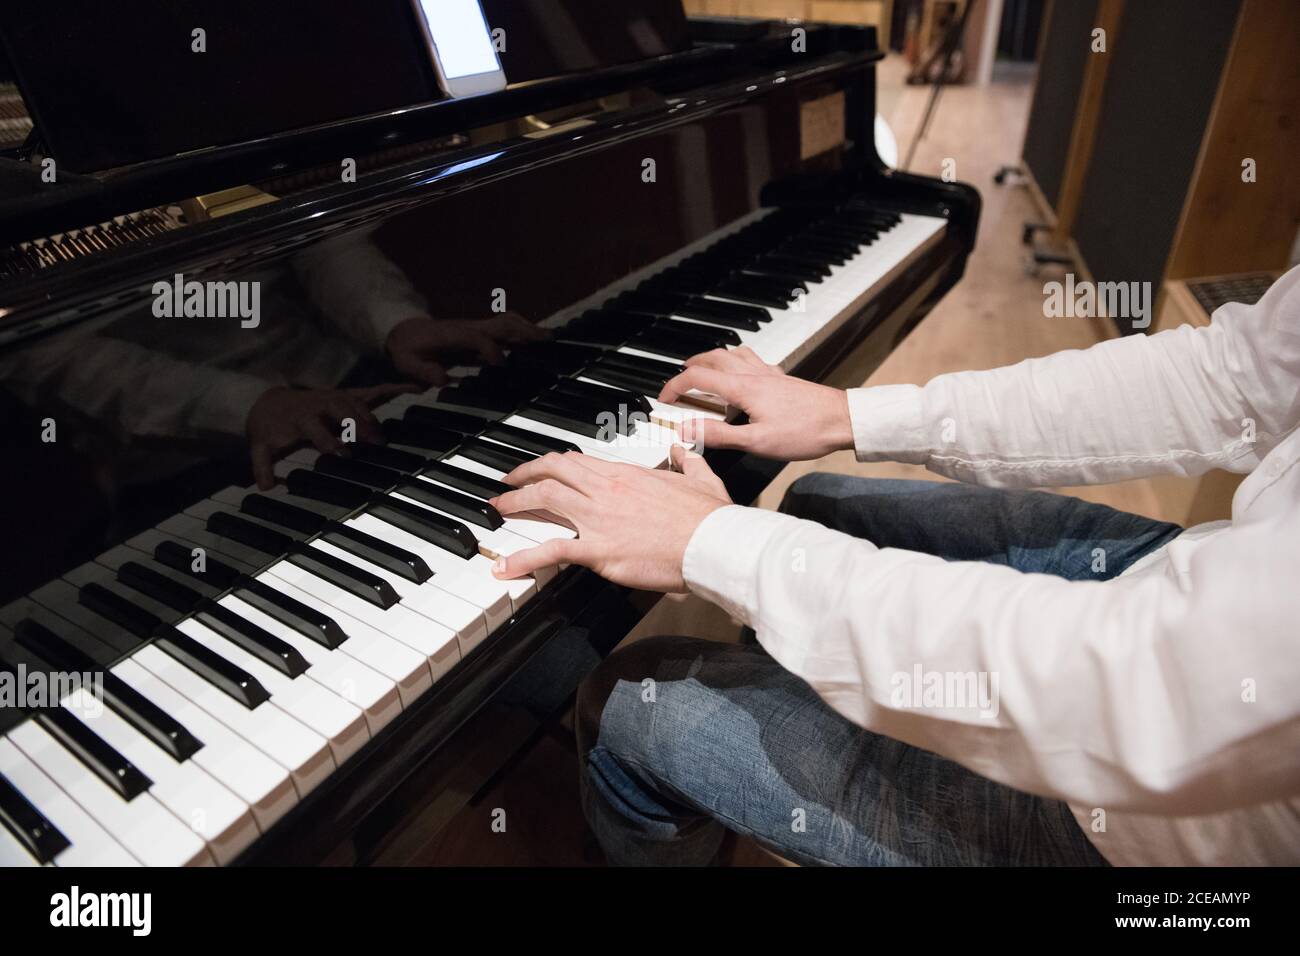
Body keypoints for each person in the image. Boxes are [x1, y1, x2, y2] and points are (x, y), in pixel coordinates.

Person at [487, 266, 1300, 866]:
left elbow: (1138, 691)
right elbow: (1231, 376)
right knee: (823, 502)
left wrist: (716, 545)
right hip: (1189, 589)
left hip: (1161, 834)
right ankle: (809, 721)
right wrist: (856, 414)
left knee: (634, 700)